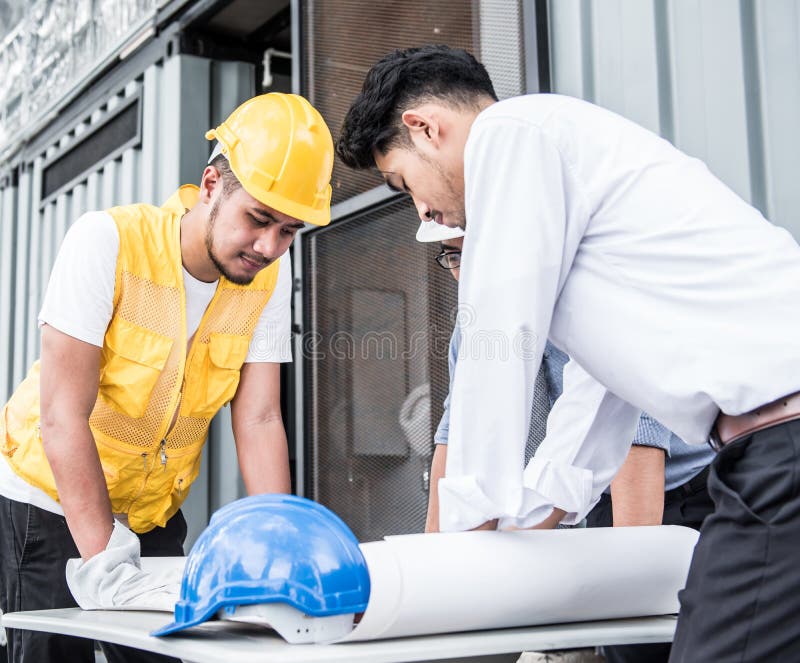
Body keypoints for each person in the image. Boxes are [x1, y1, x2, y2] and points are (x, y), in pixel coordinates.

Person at [337, 45, 800, 661]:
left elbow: (495, 352)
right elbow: (596, 403)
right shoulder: (582, 184)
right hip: (767, 450)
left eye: (402, 181)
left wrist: (458, 553)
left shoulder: (511, 135)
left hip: (782, 446)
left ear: (425, 127)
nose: (422, 210)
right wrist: (523, 524)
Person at [0, 92, 334, 663]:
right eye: (258, 219)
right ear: (210, 186)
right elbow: (61, 416)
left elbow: (258, 417)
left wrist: (281, 546)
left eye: (289, 231)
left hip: (153, 514)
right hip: (51, 503)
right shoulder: (106, 241)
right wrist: (104, 560)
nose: (269, 247)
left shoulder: (268, 281)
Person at [421, 221, 715, 663]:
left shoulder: (590, 304)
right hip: (598, 495)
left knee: (648, 640)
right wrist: (434, 577)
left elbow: (638, 453)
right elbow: (455, 436)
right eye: (453, 256)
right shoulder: (476, 331)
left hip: (689, 493)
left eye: (473, 253)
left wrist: (631, 613)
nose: (465, 274)